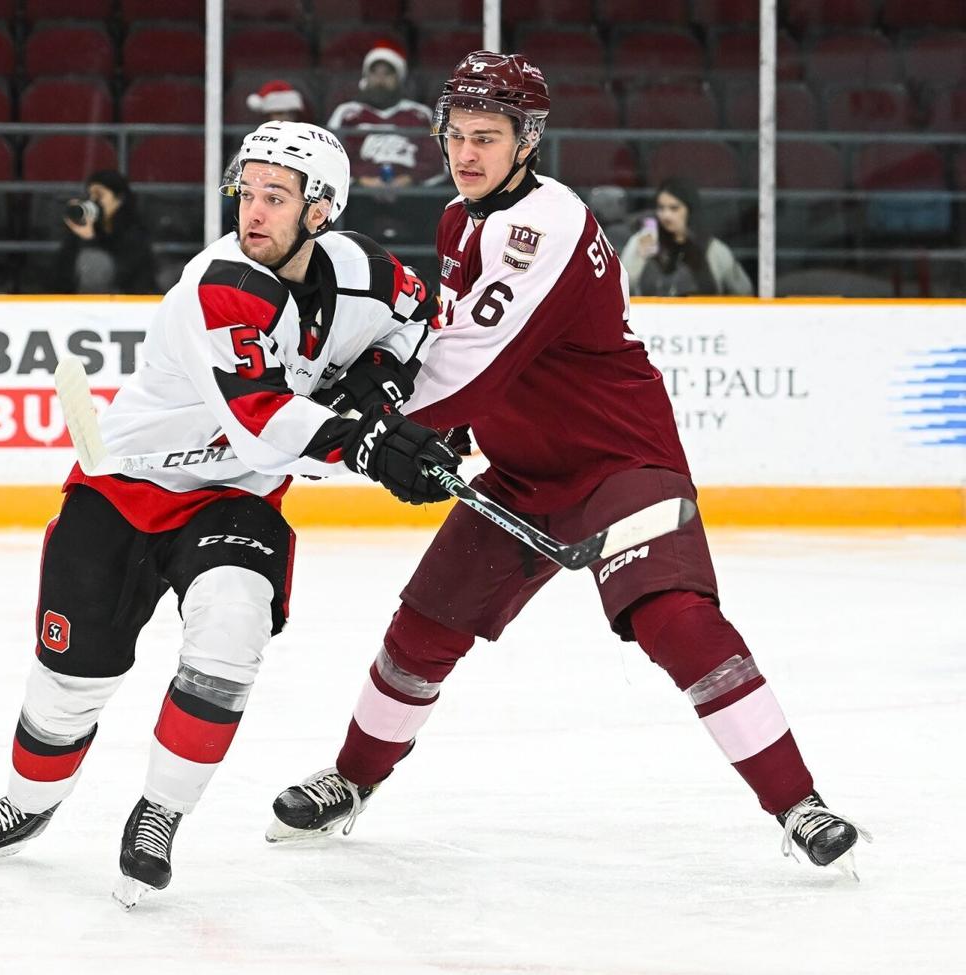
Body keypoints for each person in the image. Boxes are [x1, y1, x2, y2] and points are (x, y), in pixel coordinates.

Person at [268, 53, 869, 876]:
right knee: (423, 628)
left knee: (676, 621)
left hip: (621, 463)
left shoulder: (545, 224)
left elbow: (471, 362)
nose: (465, 153)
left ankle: (799, 804)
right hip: (522, 471)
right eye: (455, 135)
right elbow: (460, 345)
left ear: (528, 142)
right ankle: (352, 779)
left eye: (486, 137)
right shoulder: (458, 221)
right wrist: (439, 428)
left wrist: (356, 429)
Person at [0, 121, 460, 907]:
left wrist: (377, 381)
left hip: (235, 496)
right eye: (247, 191)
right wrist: (370, 444)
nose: (253, 209)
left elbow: (420, 318)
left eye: (276, 196)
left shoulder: (367, 274)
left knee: (233, 626)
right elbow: (261, 421)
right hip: (123, 488)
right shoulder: (221, 283)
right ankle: (27, 802)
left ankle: (160, 814)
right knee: (71, 681)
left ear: (321, 210)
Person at [326, 40, 445, 245]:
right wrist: (363, 180)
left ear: (400, 78)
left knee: (432, 209)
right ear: (365, 77)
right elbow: (331, 157)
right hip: (360, 194)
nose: (380, 79)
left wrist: (408, 179)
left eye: (387, 74)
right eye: (375, 73)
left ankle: (426, 264)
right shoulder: (347, 113)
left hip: (412, 194)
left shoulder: (420, 114)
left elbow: (439, 162)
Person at [620, 177, 753, 297]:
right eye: (661, 208)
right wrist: (639, 258)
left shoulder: (712, 249)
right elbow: (621, 288)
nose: (666, 215)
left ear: (689, 210)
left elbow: (744, 293)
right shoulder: (643, 241)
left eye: (674, 208)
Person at [54, 169, 156, 294]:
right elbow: (62, 274)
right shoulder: (85, 228)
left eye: (99, 195)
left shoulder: (134, 231)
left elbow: (123, 274)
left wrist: (90, 240)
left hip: (124, 299)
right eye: (90, 195)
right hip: (82, 299)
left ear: (119, 198)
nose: (93, 201)